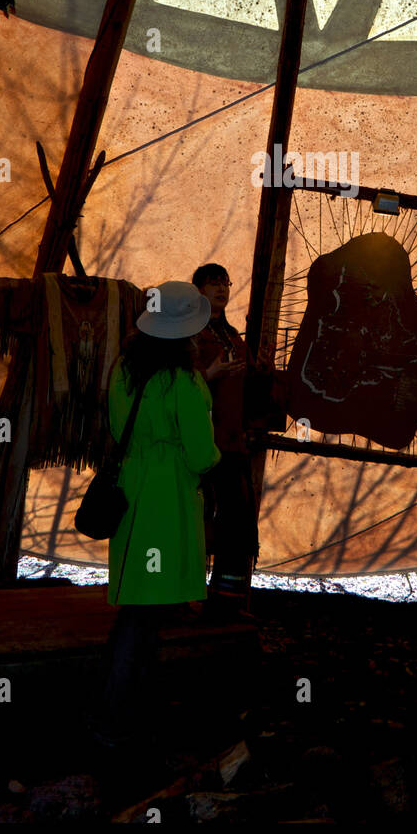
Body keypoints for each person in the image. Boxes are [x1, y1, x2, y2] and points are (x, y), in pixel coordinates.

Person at [95, 281, 220, 743]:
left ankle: (123, 712)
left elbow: (116, 426)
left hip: (132, 494)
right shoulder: (184, 382)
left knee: (139, 606)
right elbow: (201, 454)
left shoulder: (124, 370)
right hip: (167, 501)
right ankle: (117, 721)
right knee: (144, 617)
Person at [190, 262, 259, 617]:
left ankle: (227, 601)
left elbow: (252, 389)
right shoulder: (187, 335)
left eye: (225, 283)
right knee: (196, 518)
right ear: (198, 290)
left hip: (232, 444)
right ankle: (186, 594)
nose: (221, 289)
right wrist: (210, 373)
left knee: (236, 520)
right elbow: (176, 385)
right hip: (198, 444)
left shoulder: (233, 338)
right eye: (213, 283)